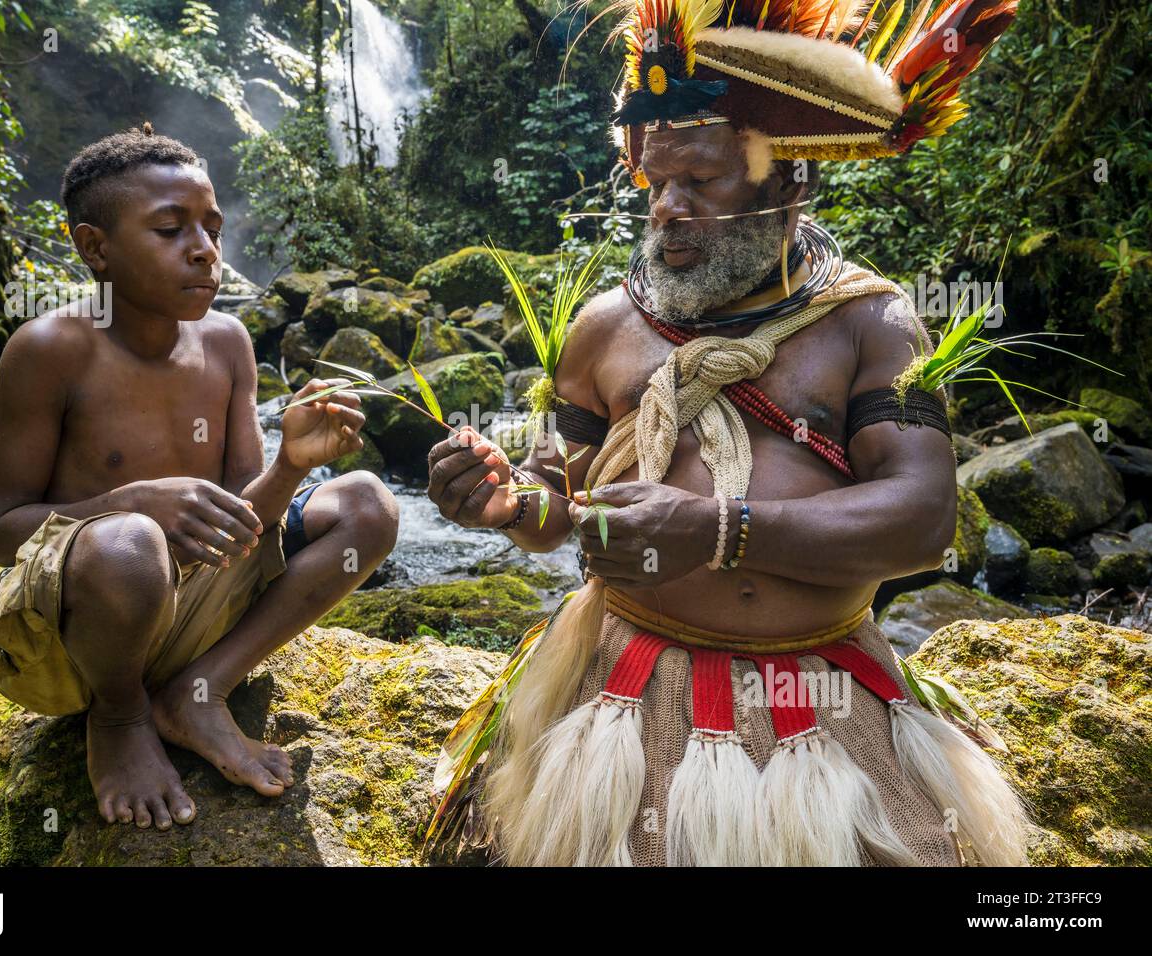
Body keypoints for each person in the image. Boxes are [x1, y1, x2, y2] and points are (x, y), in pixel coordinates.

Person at [426, 0, 1030, 866]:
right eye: (653, 182)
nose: (667, 208)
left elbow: (923, 520)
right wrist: (500, 500)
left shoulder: (872, 322)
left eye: (702, 182)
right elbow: (555, 502)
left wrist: (716, 531)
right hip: (627, 683)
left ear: (789, 181)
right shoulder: (602, 328)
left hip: (817, 684)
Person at [0, 124, 398, 830]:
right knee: (131, 542)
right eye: (171, 229)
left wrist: (291, 464)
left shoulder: (227, 343)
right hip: (72, 636)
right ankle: (120, 716)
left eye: (212, 227)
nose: (204, 249)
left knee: (368, 505)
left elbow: (246, 522)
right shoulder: (48, 350)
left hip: (189, 610)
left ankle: (199, 690)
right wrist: (129, 502)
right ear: (95, 247)